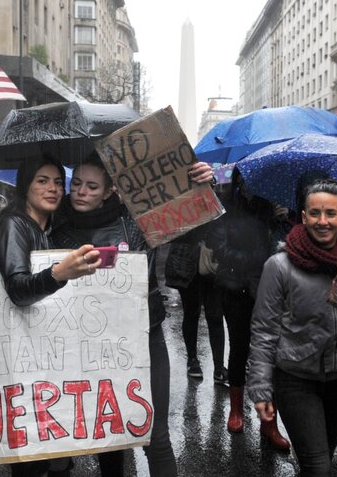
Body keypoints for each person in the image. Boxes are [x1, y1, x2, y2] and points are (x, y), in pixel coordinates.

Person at [50, 153, 214, 476]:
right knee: (107, 437)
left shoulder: (137, 222)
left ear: (110, 190)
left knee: (156, 436)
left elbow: (192, 221)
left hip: (144, 339)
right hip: (87, 347)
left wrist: (202, 188)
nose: (81, 191)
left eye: (92, 186)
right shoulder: (57, 226)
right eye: (77, 184)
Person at [0, 155, 102, 477]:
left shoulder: (48, 226)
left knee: (55, 447)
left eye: (57, 182)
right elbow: (18, 289)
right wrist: (58, 274)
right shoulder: (13, 225)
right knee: (31, 453)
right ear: (25, 185)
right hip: (19, 356)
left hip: (43, 354)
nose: (53, 188)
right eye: (42, 180)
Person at [248, 179, 337, 476]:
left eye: (331, 214)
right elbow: (264, 332)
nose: (323, 221)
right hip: (296, 379)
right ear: (303, 217)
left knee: (319, 462)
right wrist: (261, 390)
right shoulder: (279, 266)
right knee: (318, 467)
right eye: (315, 213)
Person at [207, 171, 291, 451]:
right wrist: (259, 259)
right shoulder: (224, 209)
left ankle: (269, 423)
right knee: (240, 347)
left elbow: (286, 246)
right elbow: (220, 248)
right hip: (236, 289)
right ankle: (236, 411)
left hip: (269, 289)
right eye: (247, 182)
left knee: (269, 352)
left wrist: (281, 221)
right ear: (239, 183)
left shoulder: (272, 208)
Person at [168, 226, 227, 386]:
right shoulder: (182, 203)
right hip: (187, 261)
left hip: (213, 260)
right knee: (191, 313)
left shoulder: (220, 203)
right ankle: (192, 359)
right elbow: (172, 233)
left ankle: (219, 368)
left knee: (215, 316)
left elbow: (225, 228)